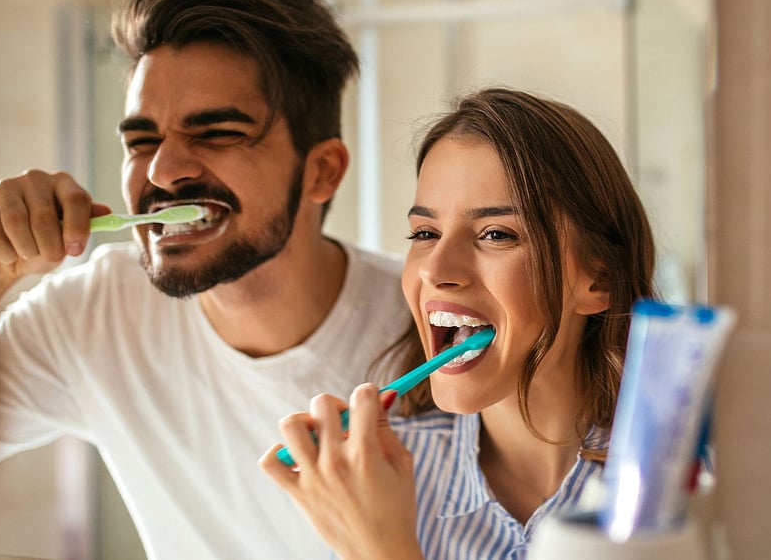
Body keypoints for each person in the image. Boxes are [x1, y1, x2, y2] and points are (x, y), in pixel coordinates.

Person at [0, 0, 412, 559]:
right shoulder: (97, 310)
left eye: (217, 132)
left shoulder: (426, 328)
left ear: (322, 170)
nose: (163, 171)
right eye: (142, 141)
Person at [261, 87, 657, 558]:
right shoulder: (370, 485)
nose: (436, 270)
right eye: (425, 233)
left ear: (600, 280)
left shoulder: (683, 484)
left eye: (495, 234)